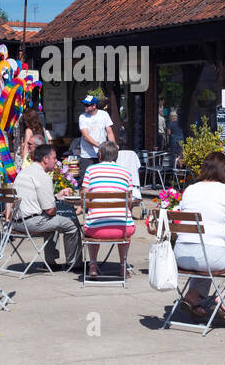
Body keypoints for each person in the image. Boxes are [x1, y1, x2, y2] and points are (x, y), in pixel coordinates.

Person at [174, 151, 225, 322]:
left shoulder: (190, 189)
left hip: (181, 254)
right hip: (208, 256)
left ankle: (192, 297)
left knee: (206, 254)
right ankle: (224, 300)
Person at [11, 143, 78, 270]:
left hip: (15, 222)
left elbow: (34, 199)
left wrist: (56, 197)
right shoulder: (43, 177)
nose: (56, 161)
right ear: (45, 159)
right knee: (71, 224)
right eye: (54, 158)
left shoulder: (24, 173)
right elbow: (50, 210)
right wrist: (60, 208)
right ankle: (74, 263)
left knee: (53, 222)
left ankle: (50, 263)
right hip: (31, 222)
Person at [80, 141, 136, 278]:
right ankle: (123, 267)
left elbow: (85, 199)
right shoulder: (126, 173)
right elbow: (129, 202)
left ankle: (92, 265)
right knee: (126, 224)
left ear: (99, 155)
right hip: (122, 229)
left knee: (93, 221)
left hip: (95, 229)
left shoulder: (90, 170)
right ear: (116, 156)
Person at [77, 94, 114, 182]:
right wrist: (99, 146)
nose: (85, 107)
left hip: (102, 154)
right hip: (87, 155)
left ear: (94, 106)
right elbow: (86, 136)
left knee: (103, 179)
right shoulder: (82, 117)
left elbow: (109, 132)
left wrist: (113, 146)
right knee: (84, 181)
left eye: (87, 105)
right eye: (84, 105)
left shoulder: (104, 114)